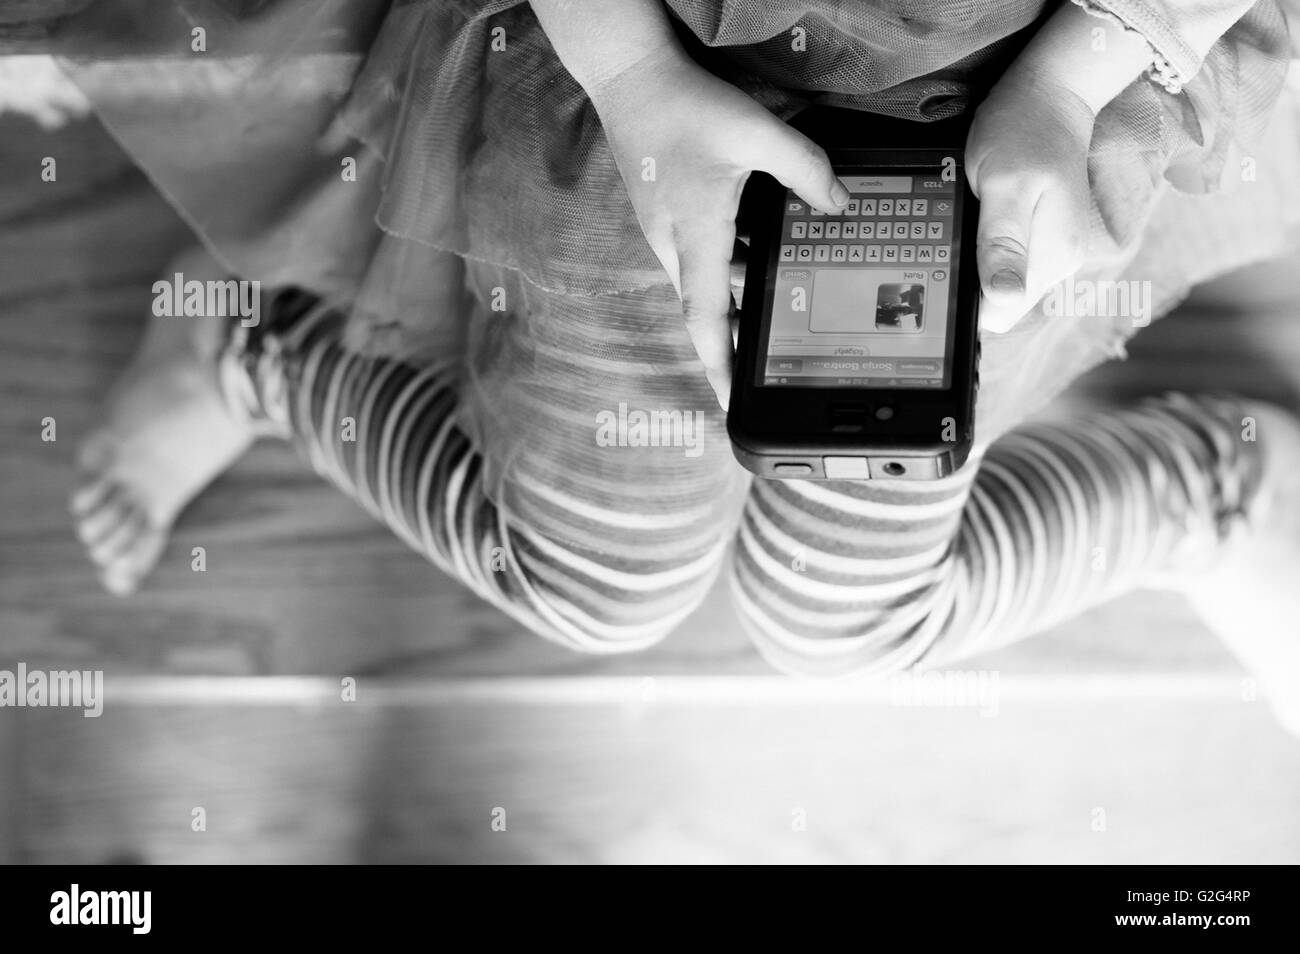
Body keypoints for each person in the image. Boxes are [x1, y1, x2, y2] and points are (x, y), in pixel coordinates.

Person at [15, 0, 1297, 728]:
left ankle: (1221, 498)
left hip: (1065, 63)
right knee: (600, 590)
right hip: (630, 62)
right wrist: (628, 74)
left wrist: (1081, 75)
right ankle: (250, 341)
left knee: (841, 626)